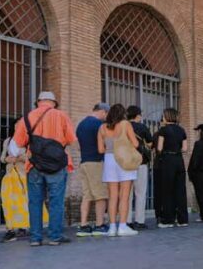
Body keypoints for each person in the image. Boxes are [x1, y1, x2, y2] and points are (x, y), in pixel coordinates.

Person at [13, 91, 77, 246]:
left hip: (34, 165)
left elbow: (19, 143)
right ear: (54, 103)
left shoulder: (27, 117)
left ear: (38, 102)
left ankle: (35, 238)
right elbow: (71, 139)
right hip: (57, 164)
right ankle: (55, 236)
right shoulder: (62, 116)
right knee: (56, 201)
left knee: (35, 202)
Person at [0, 117, 47, 242]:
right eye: (17, 124)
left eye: (21, 124)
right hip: (10, 175)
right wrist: (6, 159)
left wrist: (20, 158)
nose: (19, 126)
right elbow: (2, 157)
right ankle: (10, 230)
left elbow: (33, 157)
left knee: (25, 202)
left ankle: (23, 226)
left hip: (24, 175)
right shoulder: (8, 141)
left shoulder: (28, 140)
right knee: (8, 203)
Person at [98, 103, 139, 237]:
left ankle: (112, 228)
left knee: (112, 196)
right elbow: (135, 144)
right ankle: (122, 226)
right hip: (123, 159)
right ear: (123, 114)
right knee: (124, 196)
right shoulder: (125, 124)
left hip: (109, 160)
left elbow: (101, 150)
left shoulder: (102, 127)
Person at [75, 103, 110, 237]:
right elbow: (105, 144)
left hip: (84, 162)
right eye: (106, 114)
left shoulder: (81, 124)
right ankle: (99, 225)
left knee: (87, 195)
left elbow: (79, 147)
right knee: (101, 195)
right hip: (96, 162)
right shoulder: (99, 125)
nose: (106, 117)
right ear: (103, 111)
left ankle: (83, 226)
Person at [157, 108, 188, 228]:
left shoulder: (163, 130)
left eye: (163, 116)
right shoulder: (182, 130)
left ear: (167, 117)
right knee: (180, 190)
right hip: (179, 160)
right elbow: (185, 148)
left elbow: (159, 148)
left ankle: (168, 220)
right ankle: (182, 220)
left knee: (167, 190)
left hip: (167, 160)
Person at [126, 105, 153, 230]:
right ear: (137, 116)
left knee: (127, 193)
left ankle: (126, 220)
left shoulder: (123, 127)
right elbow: (150, 143)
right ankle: (139, 221)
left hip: (126, 163)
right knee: (140, 192)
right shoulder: (142, 127)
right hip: (140, 162)